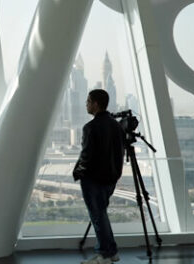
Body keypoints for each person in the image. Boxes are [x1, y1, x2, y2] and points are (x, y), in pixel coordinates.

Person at [73, 89, 125, 264]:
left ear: (96, 104)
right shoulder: (117, 126)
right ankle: (111, 252)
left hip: (93, 179)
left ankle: (104, 255)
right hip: (111, 178)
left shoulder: (90, 127)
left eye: (88, 101)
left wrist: (78, 173)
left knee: (98, 217)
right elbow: (120, 153)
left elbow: (86, 156)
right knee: (101, 215)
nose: (86, 104)